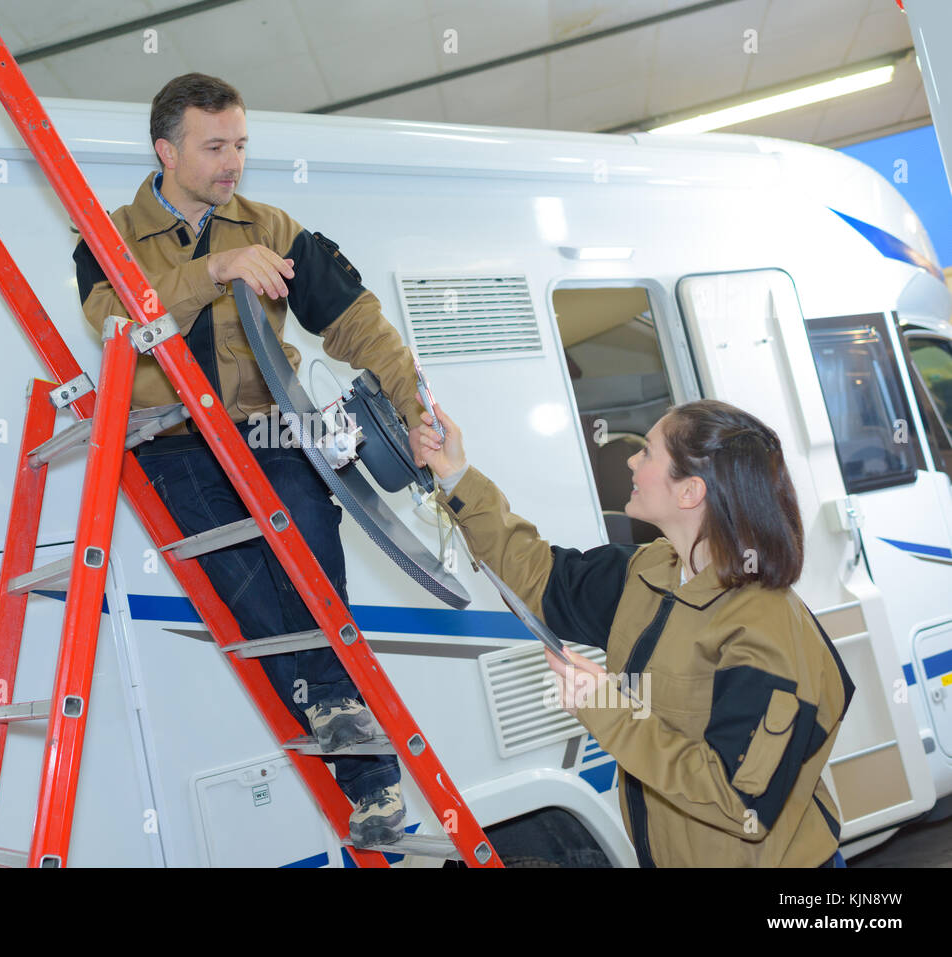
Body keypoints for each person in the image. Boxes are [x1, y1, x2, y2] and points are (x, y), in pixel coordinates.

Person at [73, 73, 426, 847]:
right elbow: (114, 319)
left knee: (307, 556)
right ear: (166, 149)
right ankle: (352, 740)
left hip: (270, 433)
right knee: (257, 611)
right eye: (214, 146)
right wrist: (217, 270)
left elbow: (353, 320)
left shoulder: (270, 224)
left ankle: (371, 781)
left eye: (239, 144)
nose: (232, 161)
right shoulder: (105, 236)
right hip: (176, 450)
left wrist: (415, 404)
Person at [410, 398, 855, 867]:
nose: (630, 460)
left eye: (647, 452)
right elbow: (539, 575)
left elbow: (737, 799)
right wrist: (456, 474)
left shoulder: (767, 626)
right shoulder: (649, 572)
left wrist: (604, 705)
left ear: (689, 492)